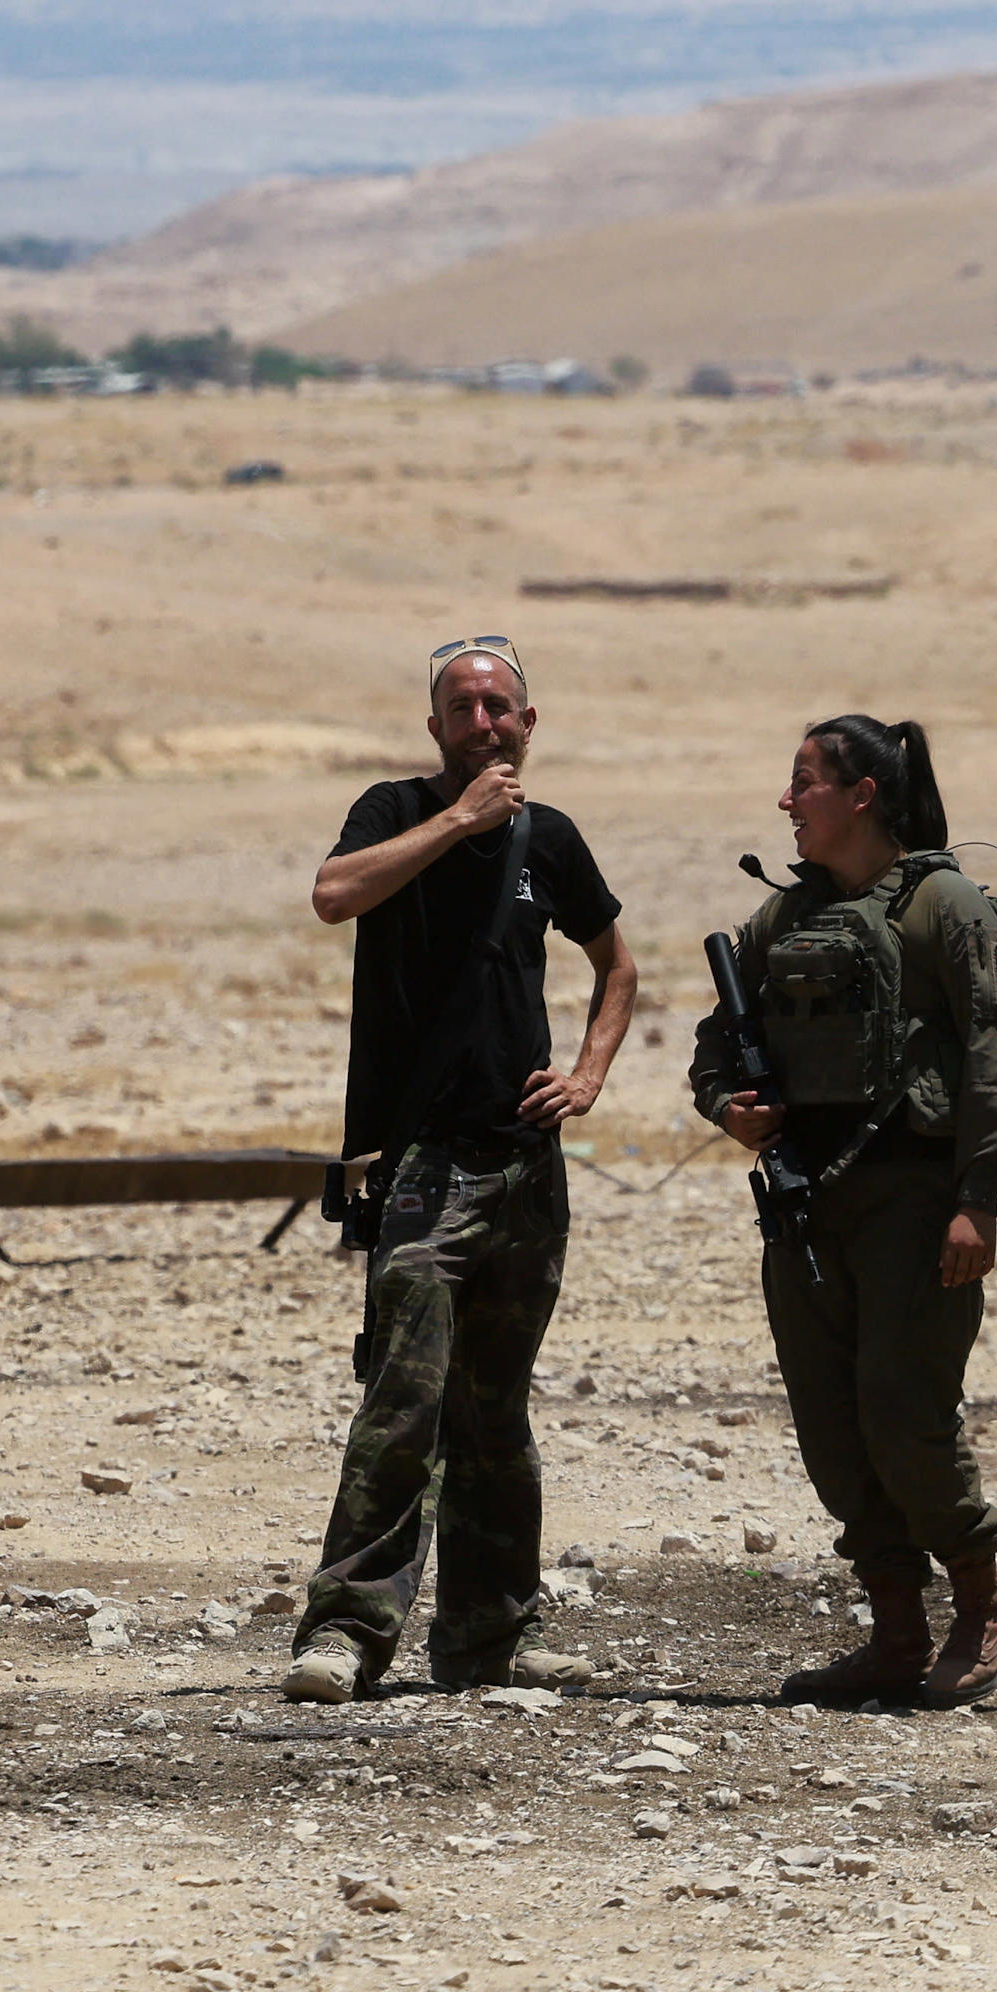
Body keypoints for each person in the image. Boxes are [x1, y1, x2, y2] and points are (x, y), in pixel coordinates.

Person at [283, 636, 637, 1702]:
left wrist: (586, 1074)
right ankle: (345, 1629)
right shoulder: (394, 811)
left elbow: (617, 964)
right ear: (435, 726)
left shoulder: (553, 838)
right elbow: (334, 894)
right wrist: (457, 822)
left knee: (498, 1409)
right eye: (462, 707)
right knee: (405, 1399)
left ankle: (491, 1635)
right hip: (423, 1161)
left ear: (531, 723)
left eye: (501, 706)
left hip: (525, 1165)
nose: (484, 722)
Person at [690, 715, 997, 1710]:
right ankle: (895, 1628)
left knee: (902, 1406)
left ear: (862, 796)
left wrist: (979, 1199)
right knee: (833, 1423)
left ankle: (984, 1599)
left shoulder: (947, 906)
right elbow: (715, 1049)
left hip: (919, 1204)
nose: (786, 801)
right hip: (809, 1207)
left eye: (803, 781)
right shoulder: (781, 924)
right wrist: (734, 1108)